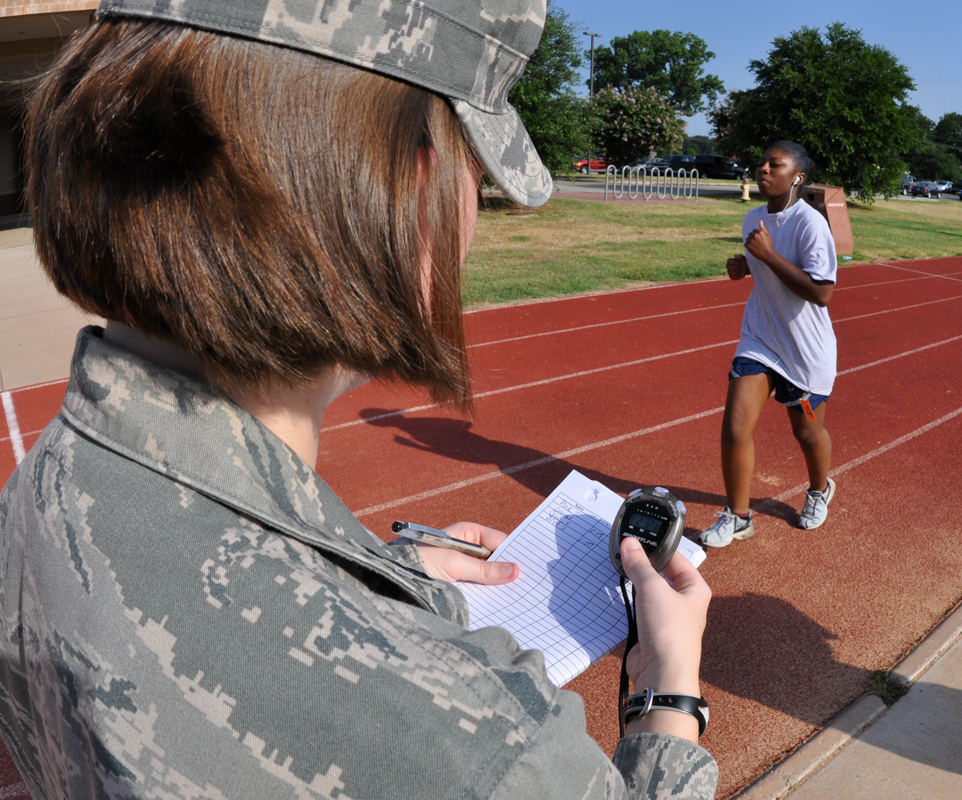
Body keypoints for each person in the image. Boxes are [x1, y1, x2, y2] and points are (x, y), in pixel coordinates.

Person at [0, 2, 717, 799]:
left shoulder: (45, 487)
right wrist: (665, 691)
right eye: (474, 173)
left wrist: (375, 580)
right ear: (413, 189)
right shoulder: (486, 750)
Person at [700, 142, 838, 548]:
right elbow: (762, 271)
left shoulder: (810, 224)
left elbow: (822, 292)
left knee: (808, 433)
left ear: (797, 177)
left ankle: (819, 488)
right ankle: (738, 516)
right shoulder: (752, 219)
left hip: (805, 350)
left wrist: (769, 257)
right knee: (735, 426)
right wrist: (743, 267)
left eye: (774, 165)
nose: (762, 169)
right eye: (760, 163)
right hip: (760, 337)